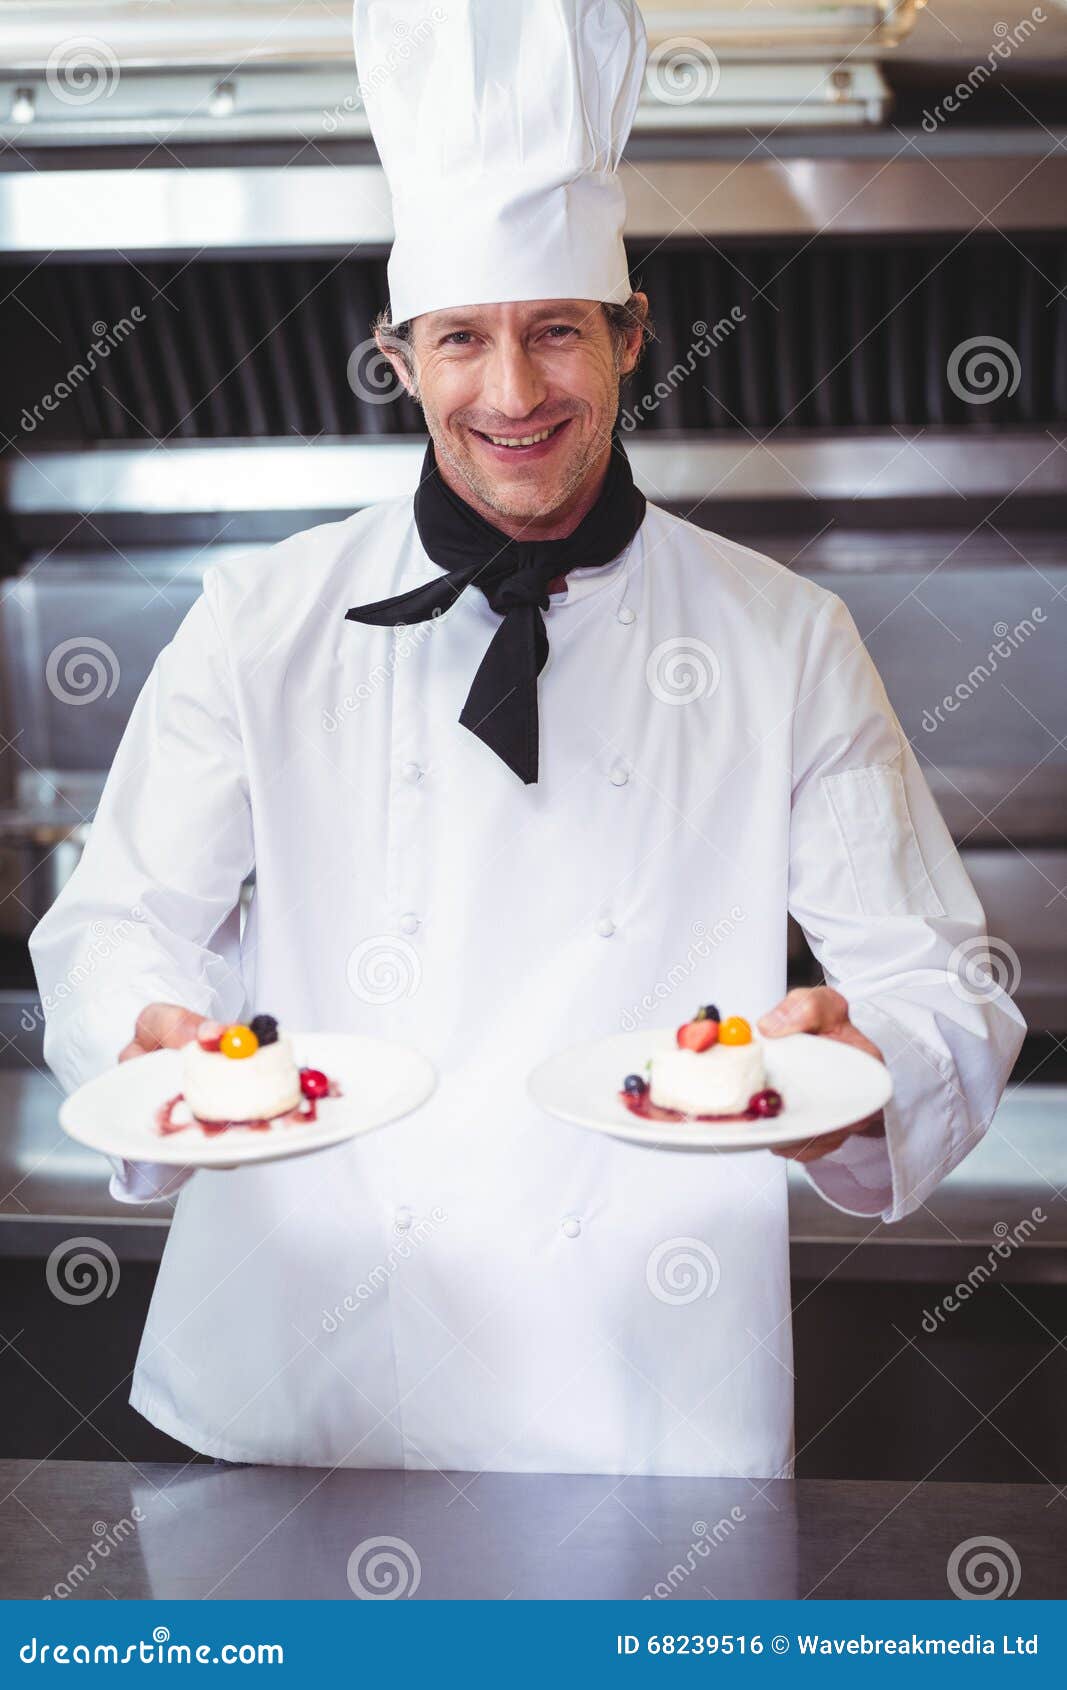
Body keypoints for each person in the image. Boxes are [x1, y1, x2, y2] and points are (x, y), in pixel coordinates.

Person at [30, 0, 1024, 1476]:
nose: (512, 393)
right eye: (463, 341)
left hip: (641, 1409)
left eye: (557, 329)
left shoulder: (782, 638)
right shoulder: (262, 620)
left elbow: (948, 990)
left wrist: (859, 1068)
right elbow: (115, 928)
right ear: (399, 353)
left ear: (630, 334)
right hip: (294, 1389)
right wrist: (155, 1034)